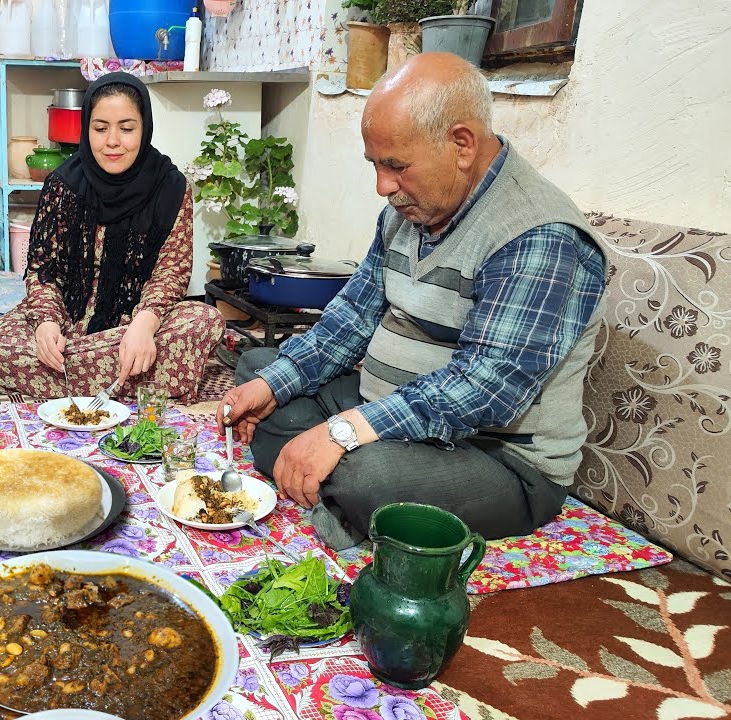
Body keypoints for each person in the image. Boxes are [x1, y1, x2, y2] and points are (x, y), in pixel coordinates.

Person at [221, 53, 607, 549]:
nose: (382, 186)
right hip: (384, 407)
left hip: (494, 456)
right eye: (375, 164)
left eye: (395, 165)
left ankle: (347, 502)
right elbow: (353, 318)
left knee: (365, 476)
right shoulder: (410, 209)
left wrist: (343, 434)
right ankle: (344, 505)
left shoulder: (539, 235)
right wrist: (277, 384)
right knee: (259, 372)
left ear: (462, 144)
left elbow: (485, 390)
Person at [0, 72, 225, 402]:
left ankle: (74, 380)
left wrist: (145, 325)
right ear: (86, 129)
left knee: (204, 320)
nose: (112, 141)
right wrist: (47, 324)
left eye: (126, 128)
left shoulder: (171, 187)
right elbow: (43, 270)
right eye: (100, 128)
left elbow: (171, 273)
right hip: (70, 318)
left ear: (144, 127)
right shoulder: (63, 185)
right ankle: (140, 382)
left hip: (136, 321)